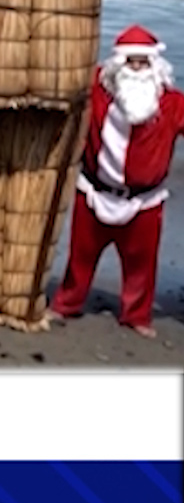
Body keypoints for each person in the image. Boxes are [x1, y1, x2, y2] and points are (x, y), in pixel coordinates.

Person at [51, 25, 184, 337]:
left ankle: (136, 316)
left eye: (143, 62)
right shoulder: (98, 91)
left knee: (141, 264)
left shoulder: (173, 103)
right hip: (96, 190)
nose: (136, 69)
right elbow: (64, 72)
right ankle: (66, 304)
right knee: (80, 256)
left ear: (156, 66)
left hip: (144, 199)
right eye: (130, 62)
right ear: (116, 65)